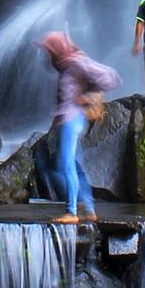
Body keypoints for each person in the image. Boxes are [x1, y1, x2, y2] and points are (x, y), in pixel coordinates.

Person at [38, 32, 120, 225]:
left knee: (62, 167)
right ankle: (89, 209)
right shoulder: (66, 66)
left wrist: (90, 96)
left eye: (50, 50)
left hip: (72, 121)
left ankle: (72, 211)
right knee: (74, 166)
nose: (49, 55)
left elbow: (110, 77)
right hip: (69, 121)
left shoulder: (76, 62)